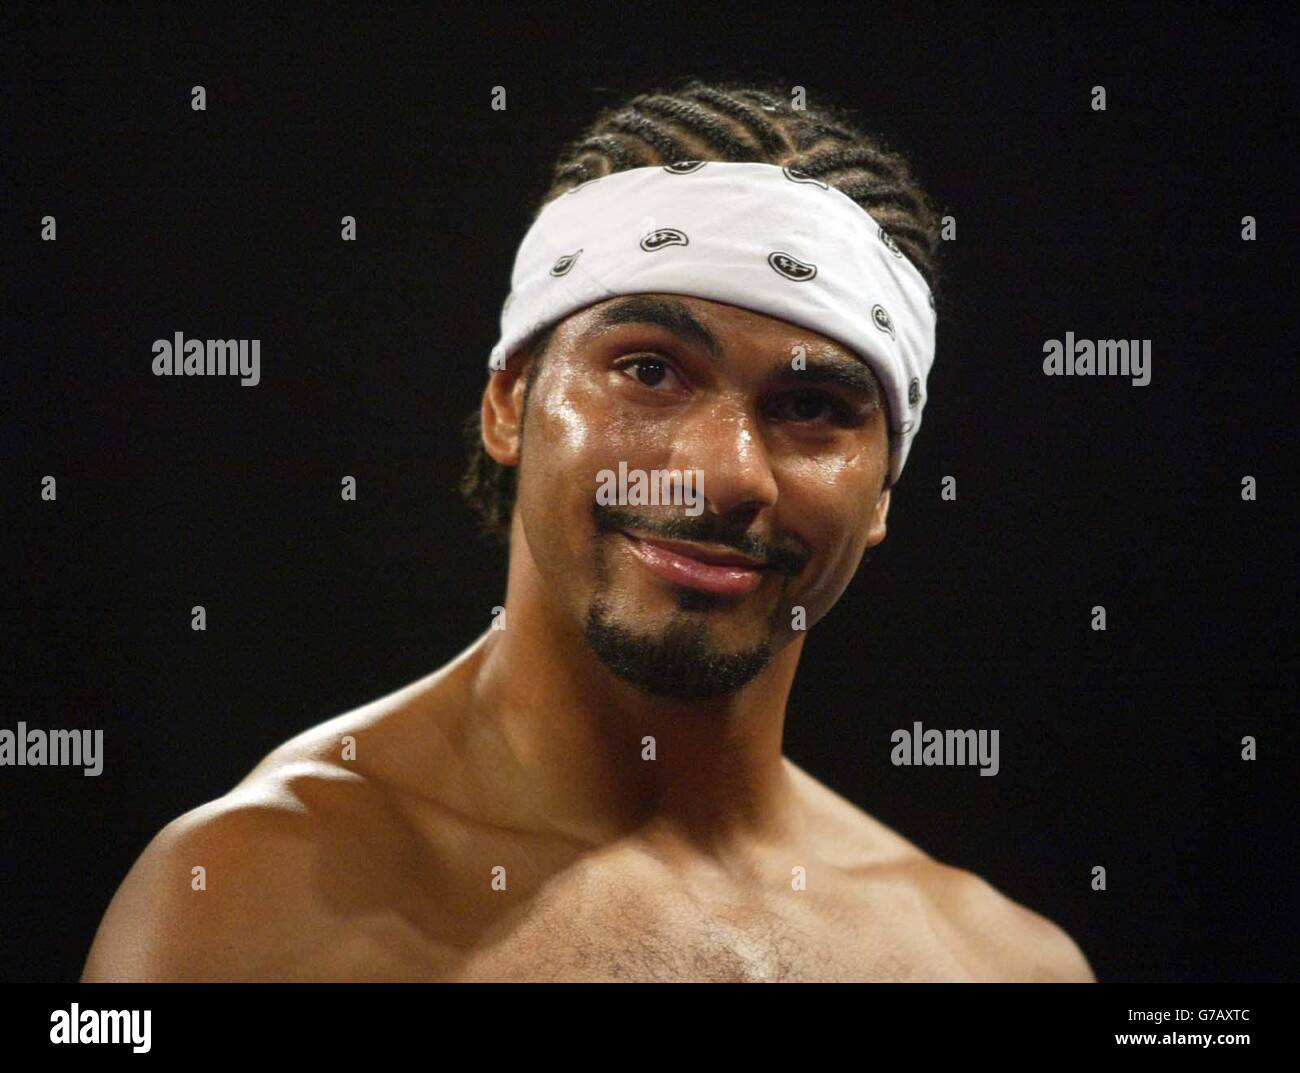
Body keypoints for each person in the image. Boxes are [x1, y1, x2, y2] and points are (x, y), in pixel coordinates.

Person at [82, 79, 1095, 982]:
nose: (725, 473)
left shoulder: (999, 961)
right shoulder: (245, 901)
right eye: (650, 370)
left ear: (880, 493)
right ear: (509, 400)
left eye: (812, 406)